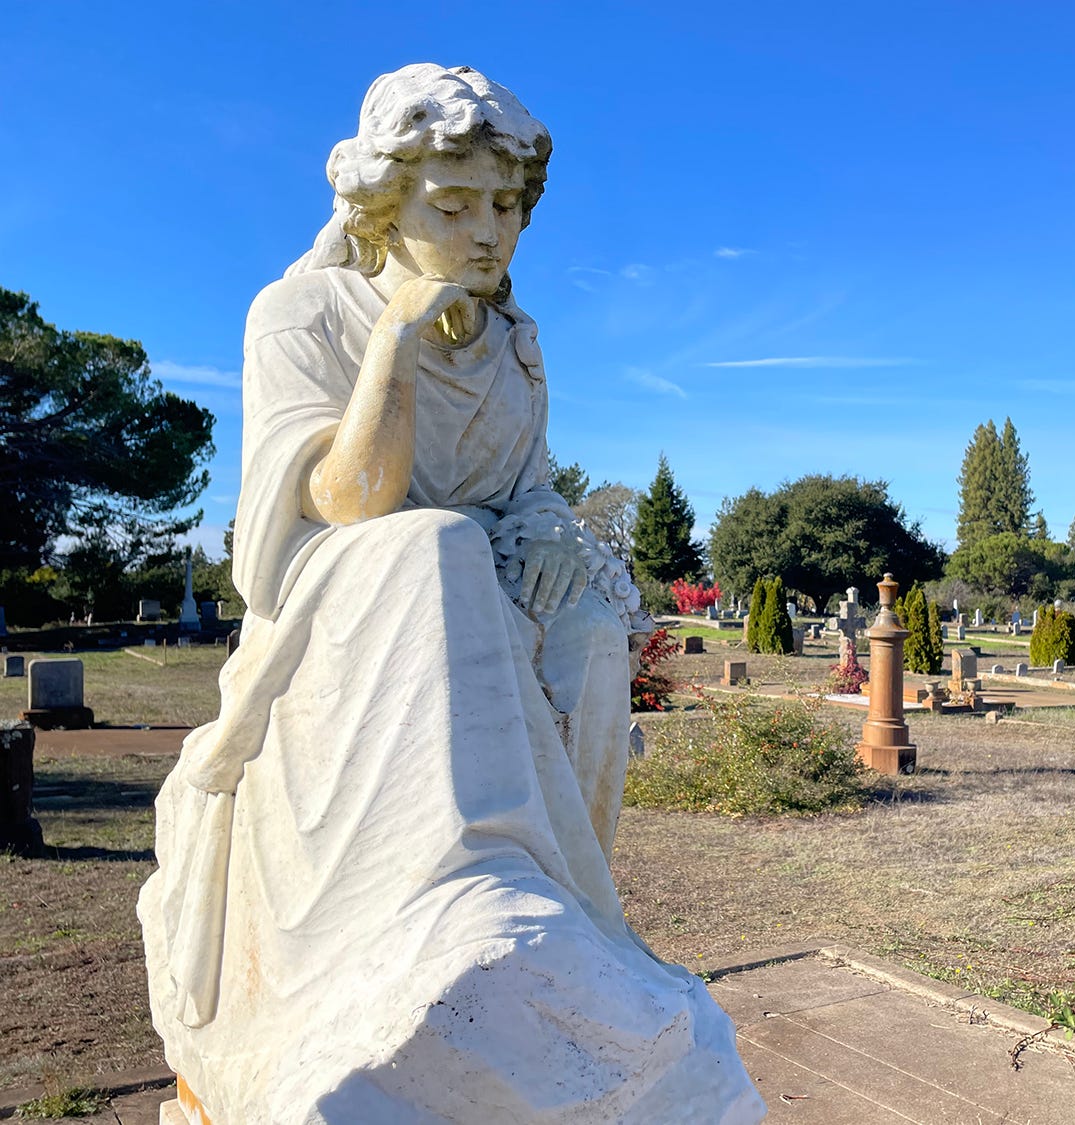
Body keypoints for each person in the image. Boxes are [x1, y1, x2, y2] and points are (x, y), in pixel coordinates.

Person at [138, 64, 763, 1124]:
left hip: (474, 586)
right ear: (387, 207)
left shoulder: (515, 344)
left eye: (508, 207)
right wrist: (394, 339)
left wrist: (555, 533)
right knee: (429, 547)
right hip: (349, 588)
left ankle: (564, 915)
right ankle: (446, 897)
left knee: (588, 637)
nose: (490, 234)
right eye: (455, 204)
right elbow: (348, 498)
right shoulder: (301, 310)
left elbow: (527, 487)